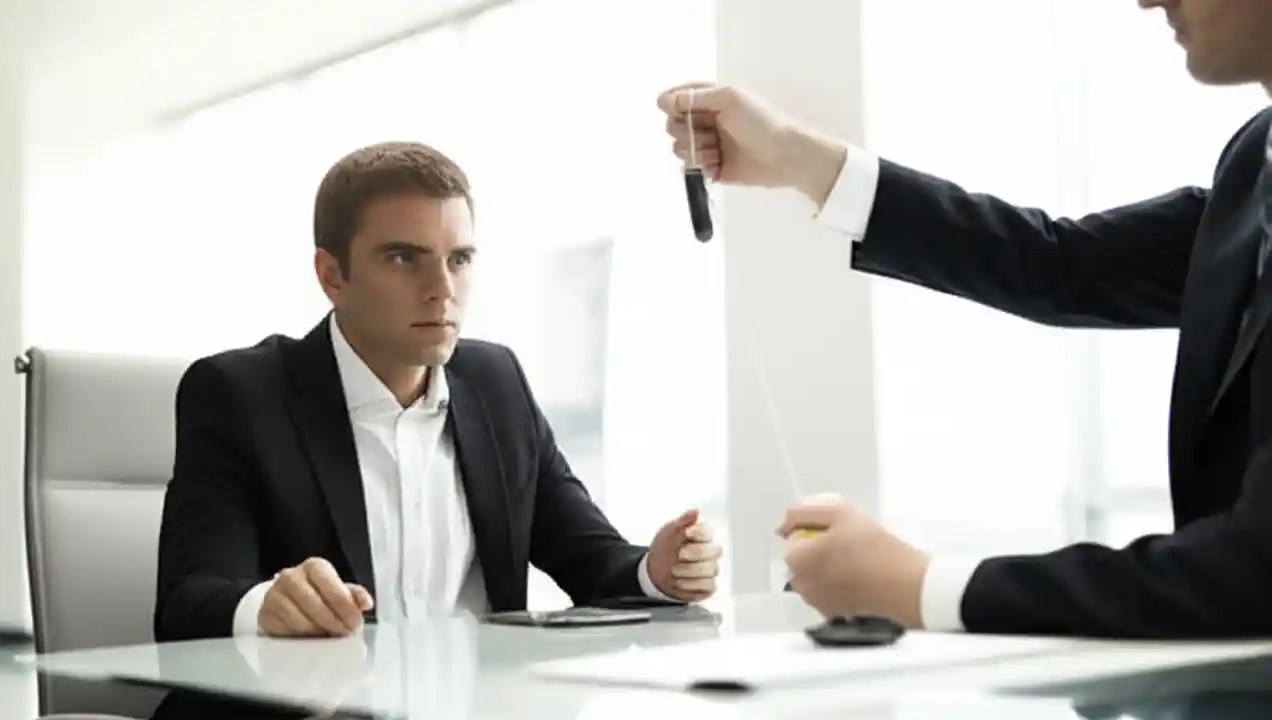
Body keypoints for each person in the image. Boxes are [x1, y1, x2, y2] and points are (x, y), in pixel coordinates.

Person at [657, 0, 1272, 637]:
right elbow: (1059, 263)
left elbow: (1258, 569)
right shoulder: (1257, 159)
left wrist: (913, 586)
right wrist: (797, 159)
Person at [155, 142, 722, 641]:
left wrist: (659, 572)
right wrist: (268, 606)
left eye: (460, 259)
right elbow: (188, 602)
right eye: (404, 258)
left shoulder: (495, 383)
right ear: (332, 275)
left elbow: (590, 559)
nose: (442, 289)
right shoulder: (239, 394)